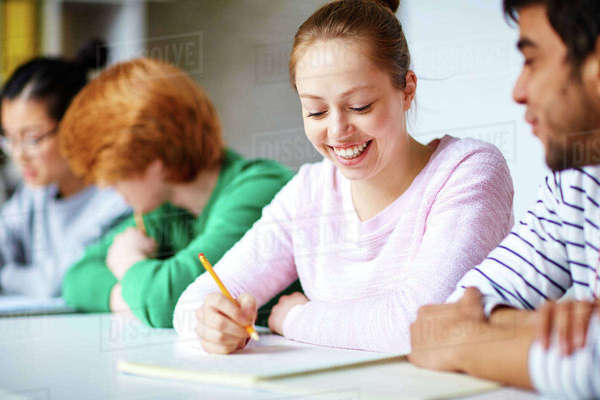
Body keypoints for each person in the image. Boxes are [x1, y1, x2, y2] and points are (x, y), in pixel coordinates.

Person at [173, 0, 514, 354]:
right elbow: (190, 304)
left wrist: (293, 318)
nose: (337, 131)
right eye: (316, 111)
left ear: (407, 90)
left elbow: (422, 323)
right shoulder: (308, 192)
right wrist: (213, 322)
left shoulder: (468, 171)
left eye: (360, 106)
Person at [409, 1, 600, 398]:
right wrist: (538, 328)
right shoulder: (579, 178)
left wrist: (467, 343)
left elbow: (591, 372)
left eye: (532, 61)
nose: (518, 91)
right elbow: (452, 310)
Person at [59, 57, 297, 328]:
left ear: (154, 154)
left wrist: (128, 263)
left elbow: (172, 302)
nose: (103, 184)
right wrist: (130, 296)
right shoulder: (162, 210)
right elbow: (76, 277)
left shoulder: (260, 189)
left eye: (111, 170)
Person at [0, 40, 130, 298]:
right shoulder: (35, 191)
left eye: (32, 139)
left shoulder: (119, 200)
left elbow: (55, 285)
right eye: (9, 139)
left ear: (78, 126)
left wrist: (7, 275)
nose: (19, 155)